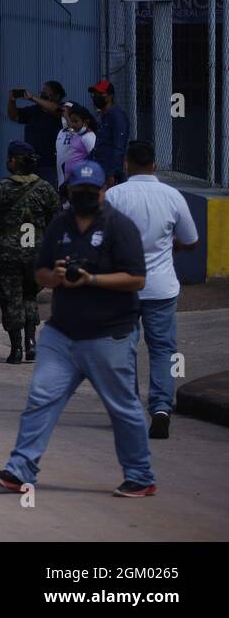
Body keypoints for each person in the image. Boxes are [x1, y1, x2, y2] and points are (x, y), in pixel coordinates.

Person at [0, 160, 155, 498]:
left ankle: (140, 476)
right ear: (70, 191)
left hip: (109, 335)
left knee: (122, 407)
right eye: (79, 192)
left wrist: (92, 279)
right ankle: (20, 471)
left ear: (103, 191)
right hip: (61, 335)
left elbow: (136, 278)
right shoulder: (60, 224)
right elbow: (41, 273)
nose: (86, 197)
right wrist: (57, 277)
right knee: (40, 399)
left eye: (92, 192)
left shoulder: (119, 227)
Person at [103, 140, 199, 439]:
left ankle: (128, 409)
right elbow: (191, 239)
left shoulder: (114, 196)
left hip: (123, 287)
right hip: (161, 288)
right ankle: (160, 409)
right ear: (154, 165)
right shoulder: (172, 196)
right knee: (164, 350)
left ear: (126, 165)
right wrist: (173, 246)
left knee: (123, 350)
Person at [0, 141, 60, 363]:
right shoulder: (46, 189)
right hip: (35, 252)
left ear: (12, 162)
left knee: (11, 299)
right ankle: (31, 342)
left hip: (8, 253)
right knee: (29, 296)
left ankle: (16, 348)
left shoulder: (0, 188)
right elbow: (55, 221)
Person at [7, 80, 66, 185]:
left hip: (49, 164)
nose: (42, 94)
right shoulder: (34, 110)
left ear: (57, 96)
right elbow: (14, 116)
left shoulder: (62, 110)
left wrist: (32, 98)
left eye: (46, 93)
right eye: (42, 92)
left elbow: (56, 109)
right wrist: (12, 100)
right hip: (30, 163)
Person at [89, 79, 130, 186]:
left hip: (111, 174)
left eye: (100, 94)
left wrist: (112, 173)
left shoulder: (117, 116)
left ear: (110, 97)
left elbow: (119, 147)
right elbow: (100, 145)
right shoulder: (103, 116)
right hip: (100, 169)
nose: (96, 96)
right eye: (94, 94)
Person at [56, 101, 97, 190]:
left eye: (75, 121)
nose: (73, 124)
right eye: (71, 121)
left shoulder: (89, 137)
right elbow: (71, 128)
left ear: (86, 122)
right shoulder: (77, 134)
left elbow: (95, 159)